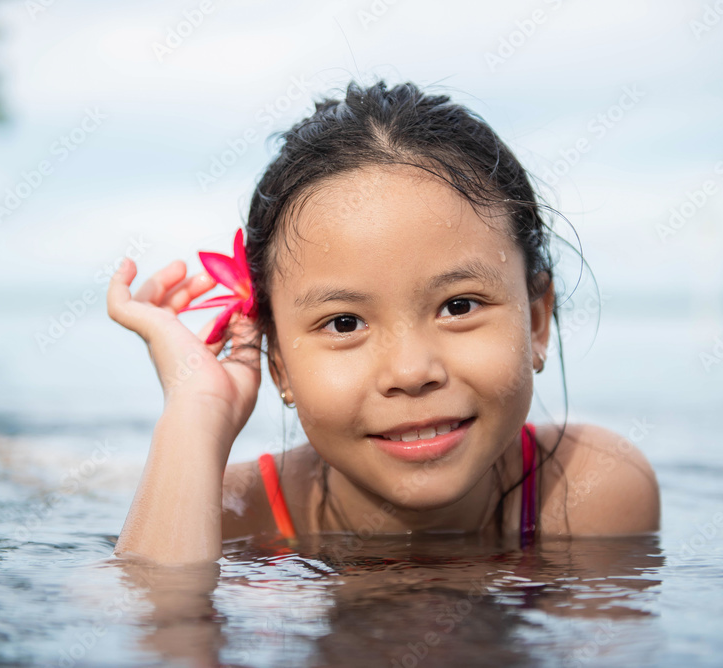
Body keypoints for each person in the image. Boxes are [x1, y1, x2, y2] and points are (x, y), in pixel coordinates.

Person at [106, 79, 660, 566]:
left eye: (459, 307)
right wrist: (195, 415)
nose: (411, 371)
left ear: (537, 321)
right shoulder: (228, 512)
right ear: (279, 364)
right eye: (344, 322)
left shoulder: (589, 494)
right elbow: (161, 632)